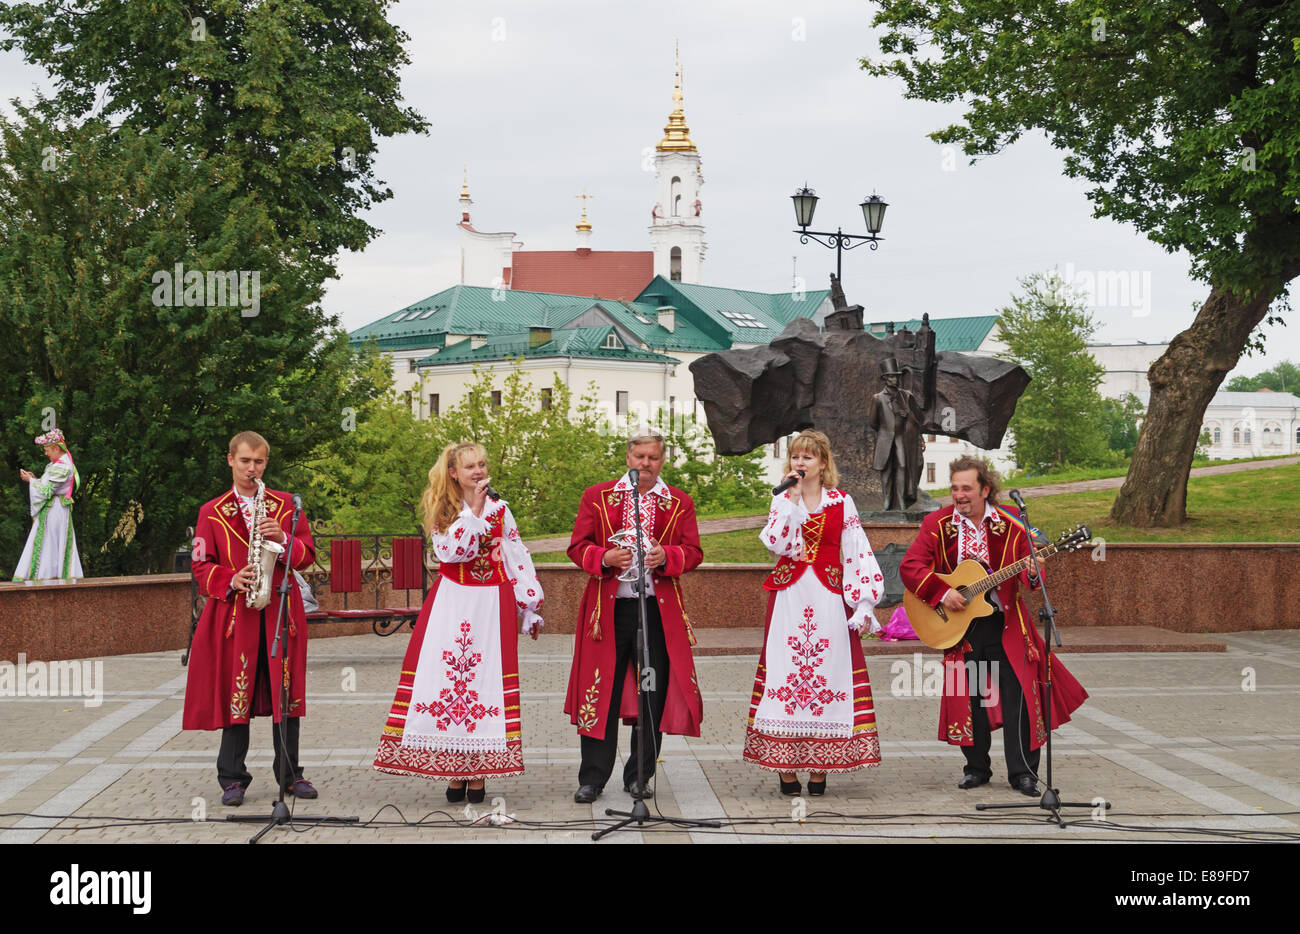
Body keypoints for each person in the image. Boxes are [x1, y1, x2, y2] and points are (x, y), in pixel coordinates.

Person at [899, 455, 1089, 795]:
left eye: (967, 488)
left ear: (985, 489)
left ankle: (1024, 774)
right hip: (961, 627)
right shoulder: (937, 523)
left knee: (1020, 697)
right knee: (969, 697)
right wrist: (942, 593)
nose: (959, 495)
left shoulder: (1012, 521)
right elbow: (911, 567)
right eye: (955, 488)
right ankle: (976, 768)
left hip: (1006, 624)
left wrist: (1034, 570)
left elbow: (1034, 575)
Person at [373, 442, 543, 804]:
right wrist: (474, 513)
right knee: (450, 682)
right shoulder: (445, 510)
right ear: (454, 473)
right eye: (470, 467)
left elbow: (515, 553)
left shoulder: (501, 509)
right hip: (453, 601)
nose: (478, 471)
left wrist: (529, 605)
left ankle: (478, 771)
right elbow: (451, 553)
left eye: (482, 464)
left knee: (484, 685)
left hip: (492, 602)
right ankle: (454, 769)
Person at [565, 427, 703, 803]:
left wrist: (668, 557)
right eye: (639, 456)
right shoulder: (598, 498)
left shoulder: (677, 502)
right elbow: (577, 547)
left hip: (655, 613)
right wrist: (604, 558)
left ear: (662, 461)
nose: (645, 464)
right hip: (607, 613)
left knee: (650, 692)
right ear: (628, 458)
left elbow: (693, 552)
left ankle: (639, 776)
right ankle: (592, 778)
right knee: (600, 693)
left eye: (653, 457)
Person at [744, 429, 884, 795]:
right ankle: (786, 767)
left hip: (827, 597)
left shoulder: (842, 501)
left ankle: (820, 767)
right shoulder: (782, 501)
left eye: (808, 457)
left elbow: (856, 550)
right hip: (790, 596)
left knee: (827, 671)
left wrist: (864, 600)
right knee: (787, 671)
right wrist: (790, 500)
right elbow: (777, 545)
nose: (800, 462)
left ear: (823, 463)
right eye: (795, 457)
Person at [182, 431, 318, 806]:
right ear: (230, 460)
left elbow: (307, 556)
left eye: (258, 462)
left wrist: (286, 540)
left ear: (266, 463)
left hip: (279, 611)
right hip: (234, 616)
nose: (251, 468)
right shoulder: (212, 511)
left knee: (285, 694)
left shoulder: (286, 506)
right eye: (245, 461)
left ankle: (290, 776)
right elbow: (200, 565)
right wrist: (230, 578)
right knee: (234, 694)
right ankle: (232, 778)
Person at [13, 428, 84, 581]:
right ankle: (48, 574)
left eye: (47, 450)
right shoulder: (58, 464)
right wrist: (35, 479)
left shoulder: (62, 466)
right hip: (54, 508)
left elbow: (46, 491)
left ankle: (48, 575)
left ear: (57, 448)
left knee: (50, 540)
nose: (46, 454)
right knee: (49, 540)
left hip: (56, 510)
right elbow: (49, 487)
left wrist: (30, 481)